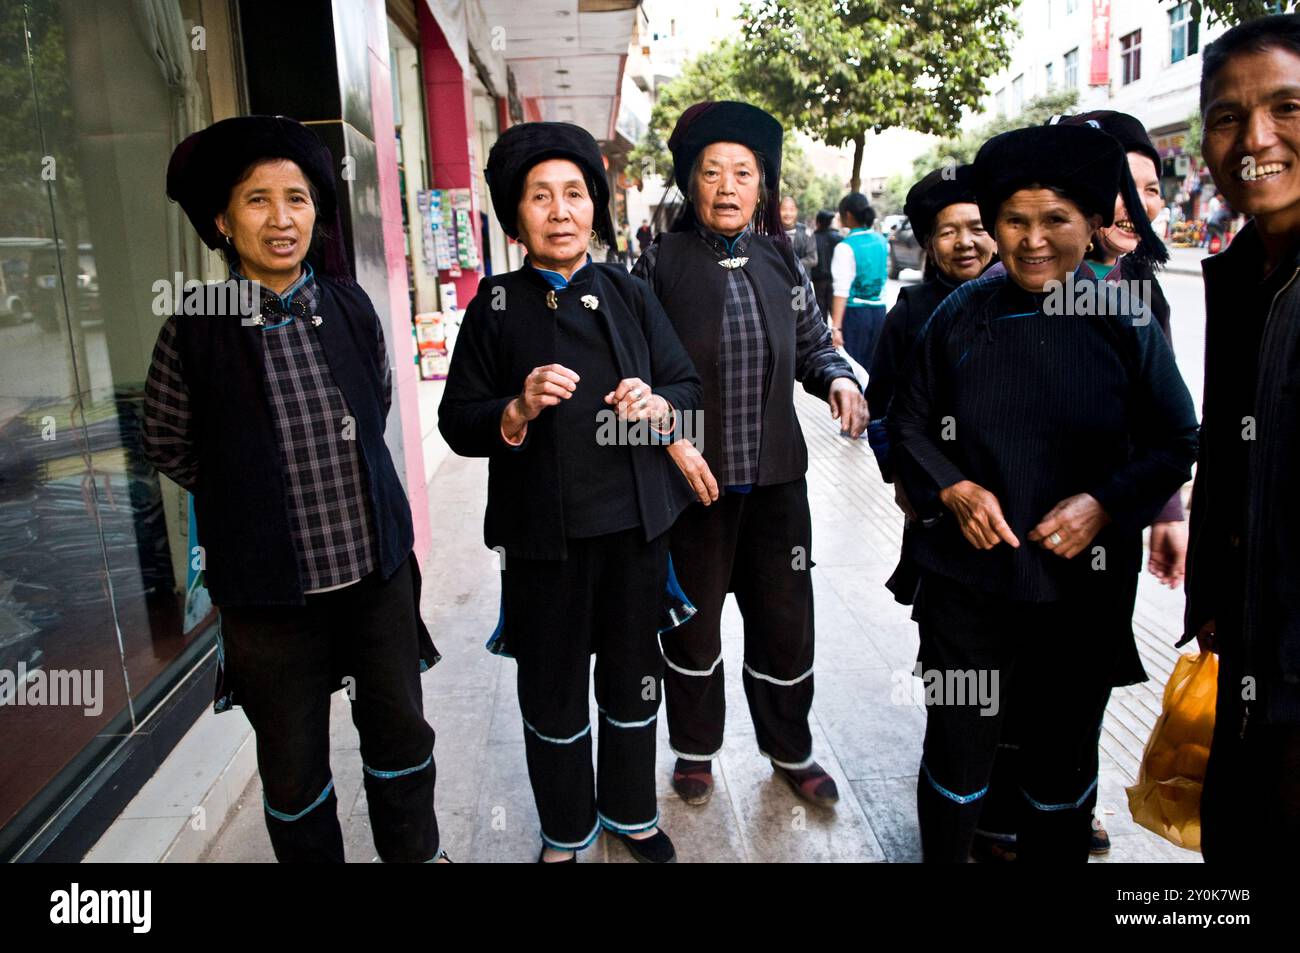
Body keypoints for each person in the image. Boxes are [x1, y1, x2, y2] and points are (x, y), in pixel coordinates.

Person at [888, 122, 1198, 862]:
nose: (1032, 240)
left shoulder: (1124, 317)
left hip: (1081, 590)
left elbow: (1176, 439)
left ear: (1092, 224)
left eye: (1055, 219)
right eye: (1014, 220)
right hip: (968, 584)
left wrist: (1102, 503)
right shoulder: (957, 315)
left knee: (1061, 758)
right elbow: (908, 422)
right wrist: (954, 487)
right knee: (960, 748)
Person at [146, 116, 443, 863]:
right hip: (270, 597)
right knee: (292, 759)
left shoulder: (348, 305)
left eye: (297, 199)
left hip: (374, 572)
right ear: (222, 220)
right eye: (257, 200)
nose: (281, 219)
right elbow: (169, 441)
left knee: (401, 731)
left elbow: (372, 408)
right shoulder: (192, 326)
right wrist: (248, 497)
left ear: (316, 211)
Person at [439, 121, 701, 863]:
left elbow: (684, 383)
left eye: (575, 194)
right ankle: (564, 829)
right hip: (542, 539)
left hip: (634, 531)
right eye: (540, 197)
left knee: (631, 678)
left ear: (595, 207)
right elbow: (458, 420)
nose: (560, 211)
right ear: (516, 215)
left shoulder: (628, 288)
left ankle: (631, 811)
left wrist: (659, 404)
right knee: (551, 691)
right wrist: (515, 410)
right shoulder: (493, 303)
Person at [632, 100, 868, 808]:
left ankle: (790, 749)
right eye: (712, 173)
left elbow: (812, 343)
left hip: (776, 484)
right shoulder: (659, 262)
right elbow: (636, 370)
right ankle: (697, 749)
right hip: (691, 485)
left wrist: (838, 378)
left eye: (744, 172)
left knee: (784, 619)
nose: (729, 187)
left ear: (762, 186)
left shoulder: (780, 258)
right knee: (693, 623)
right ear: (691, 184)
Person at [1185, 12, 1300, 861]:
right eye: (1228, 117)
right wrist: (1217, 597)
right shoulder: (1240, 273)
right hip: (1254, 657)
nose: (1255, 138)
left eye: (1289, 107)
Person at [829, 192, 889, 375]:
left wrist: (836, 328)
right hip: (879, 313)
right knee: (873, 371)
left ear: (848, 215)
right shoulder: (883, 241)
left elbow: (841, 291)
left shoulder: (845, 247)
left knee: (852, 372)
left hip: (854, 316)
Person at [810, 209, 842, 320]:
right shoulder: (838, 237)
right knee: (835, 310)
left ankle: (824, 335)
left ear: (817, 222)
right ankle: (837, 332)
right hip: (834, 279)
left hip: (818, 279)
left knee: (820, 308)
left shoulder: (813, 238)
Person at [781, 195, 819, 274]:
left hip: (801, 281)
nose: (788, 213)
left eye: (791, 209)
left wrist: (793, 264)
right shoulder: (771, 232)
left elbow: (813, 259)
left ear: (796, 211)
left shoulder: (807, 233)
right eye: (784, 209)